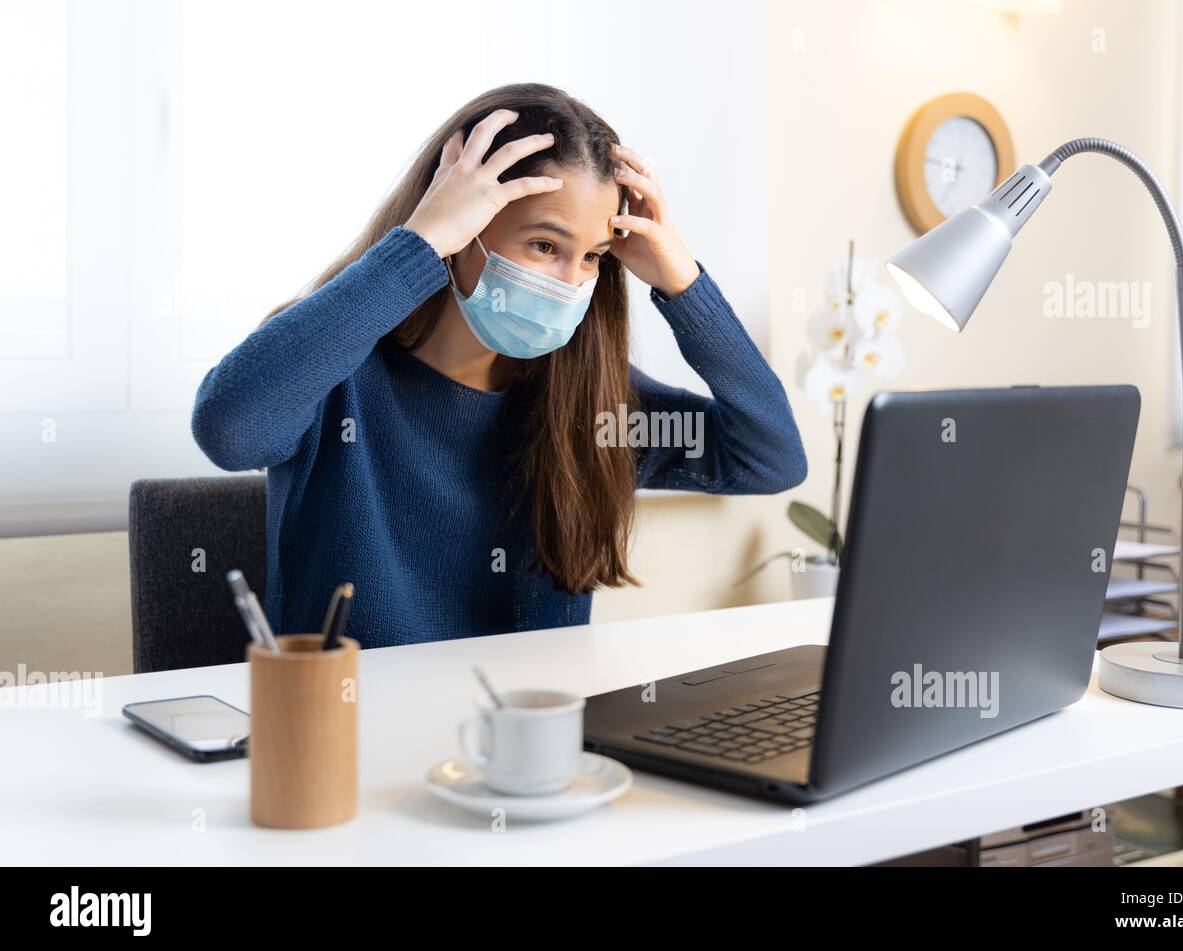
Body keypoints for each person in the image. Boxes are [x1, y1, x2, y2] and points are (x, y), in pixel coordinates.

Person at [191, 82, 806, 647]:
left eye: (592, 257)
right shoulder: (329, 361)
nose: (571, 283)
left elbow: (769, 459)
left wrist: (684, 285)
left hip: (526, 743)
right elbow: (231, 429)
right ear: (462, 225)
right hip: (352, 735)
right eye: (544, 246)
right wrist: (418, 245)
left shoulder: (589, 399)